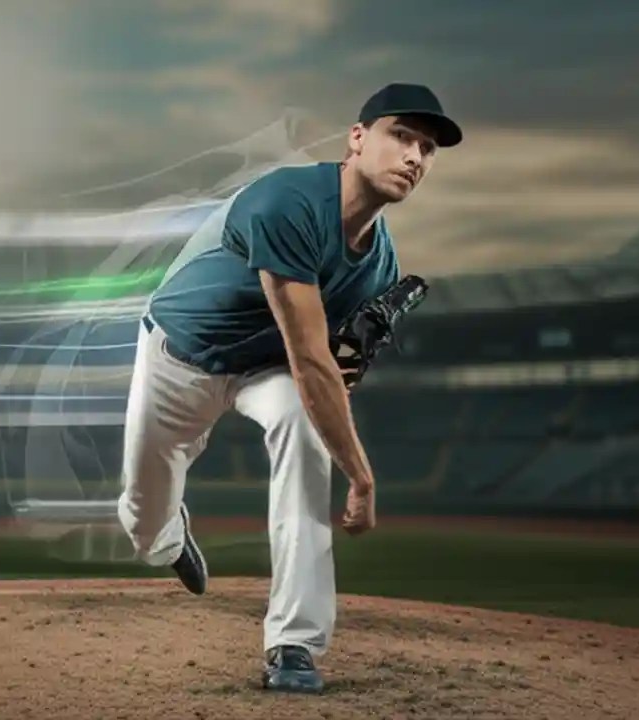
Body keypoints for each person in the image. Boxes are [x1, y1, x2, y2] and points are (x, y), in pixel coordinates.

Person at [116, 83, 462, 693]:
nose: (414, 155)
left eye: (427, 148)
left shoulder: (380, 266)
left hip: (263, 370)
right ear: (357, 138)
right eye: (401, 136)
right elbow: (310, 358)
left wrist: (344, 372)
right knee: (143, 519)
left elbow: (323, 370)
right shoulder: (287, 201)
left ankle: (294, 642)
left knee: (306, 432)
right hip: (179, 355)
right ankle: (166, 538)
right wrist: (362, 477)